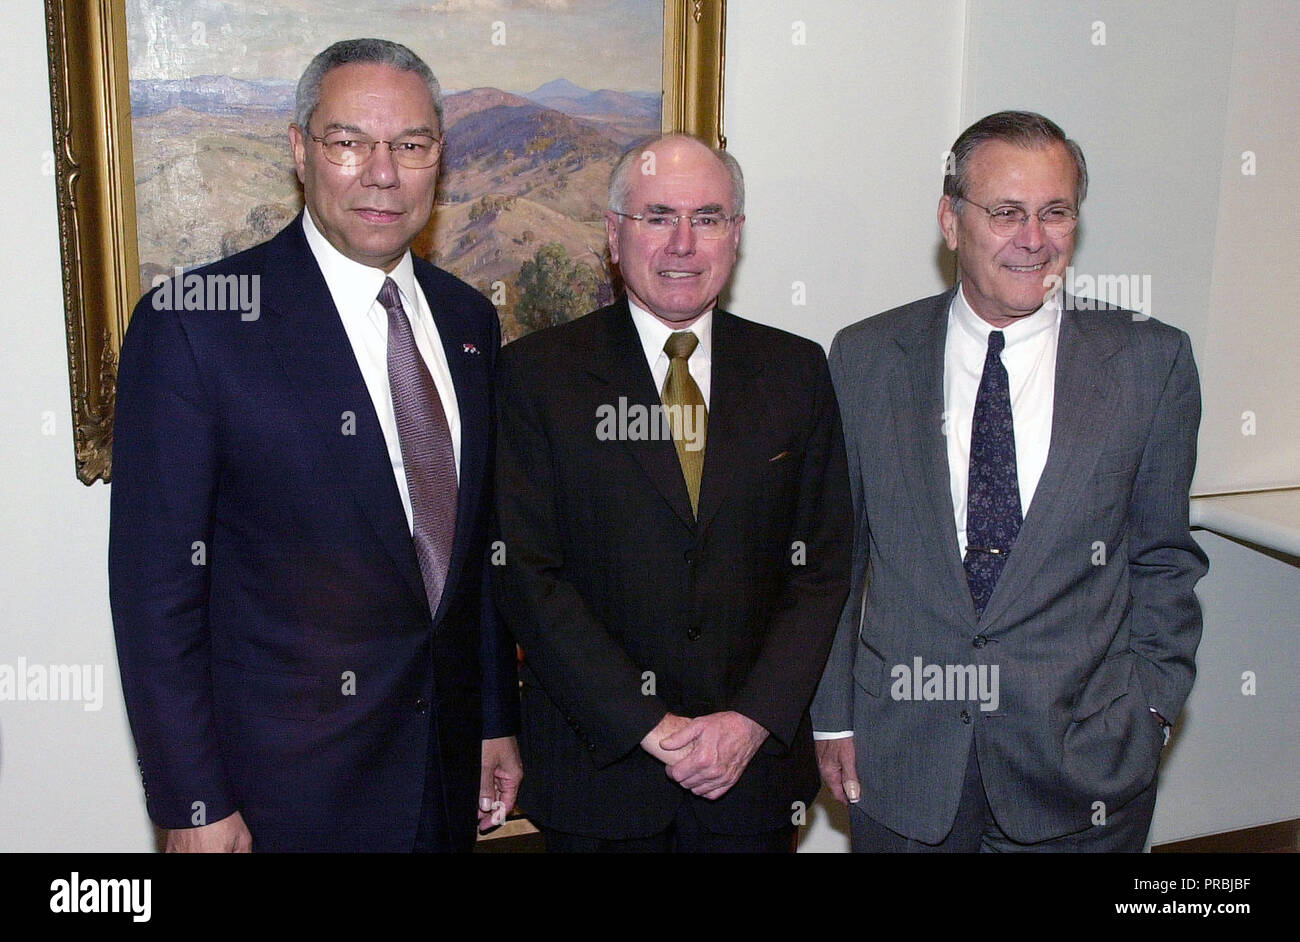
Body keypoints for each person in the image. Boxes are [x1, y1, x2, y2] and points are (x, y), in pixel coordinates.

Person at [109, 38, 520, 853]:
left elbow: (470, 557)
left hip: (441, 784)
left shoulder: (470, 322)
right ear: (300, 151)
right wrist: (192, 802)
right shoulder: (197, 326)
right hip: (279, 802)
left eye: (410, 144)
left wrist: (492, 722)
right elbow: (156, 599)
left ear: (439, 155)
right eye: (348, 142)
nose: (382, 172)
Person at [813, 111, 1208, 852]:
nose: (1034, 238)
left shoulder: (1151, 363)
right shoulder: (866, 357)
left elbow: (1163, 557)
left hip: (1082, 765)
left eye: (1055, 212)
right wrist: (833, 715)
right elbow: (840, 556)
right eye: (1005, 212)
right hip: (903, 756)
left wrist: (1151, 711)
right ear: (950, 220)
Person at [493, 134, 852, 852]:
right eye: (658, 216)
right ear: (613, 233)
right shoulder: (538, 376)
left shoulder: (797, 371)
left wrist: (751, 721)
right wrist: (648, 726)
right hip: (601, 776)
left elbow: (822, 571)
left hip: (750, 782)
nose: (683, 244)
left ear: (737, 235)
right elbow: (526, 575)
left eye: (709, 218)